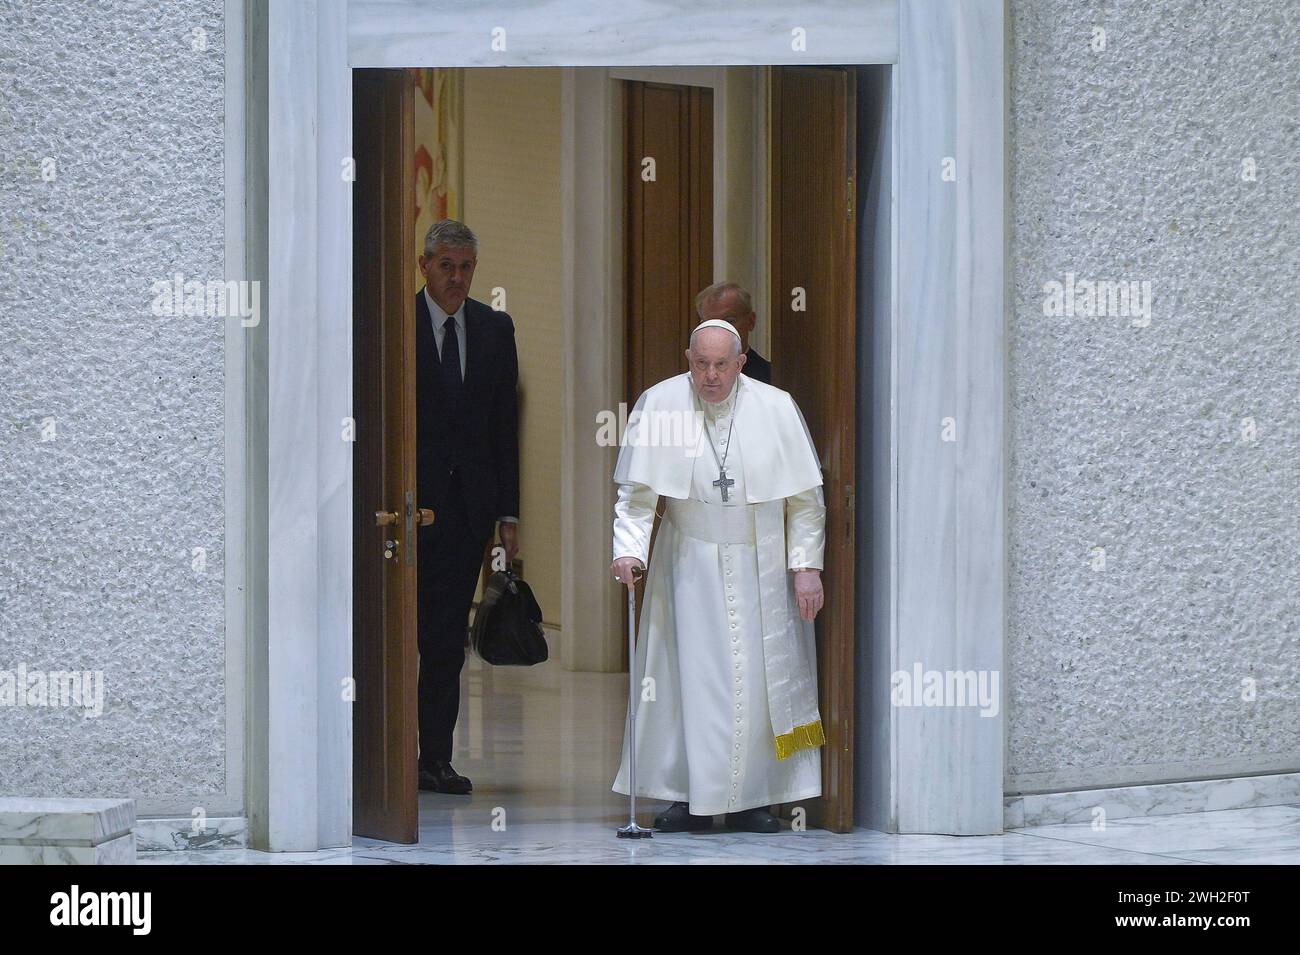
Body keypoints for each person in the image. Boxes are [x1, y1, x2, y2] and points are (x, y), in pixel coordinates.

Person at [609, 319, 826, 832]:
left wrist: (806, 569)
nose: (710, 376)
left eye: (721, 365)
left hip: (762, 563)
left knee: (756, 684)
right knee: (689, 683)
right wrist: (628, 551)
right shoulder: (660, 405)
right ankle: (687, 798)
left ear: (741, 362)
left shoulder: (775, 408)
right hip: (688, 563)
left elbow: (807, 502)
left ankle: (753, 799)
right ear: (688, 358)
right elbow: (637, 496)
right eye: (700, 364)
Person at [415, 219, 520, 794]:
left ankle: (435, 757)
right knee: (397, 636)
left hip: (466, 514)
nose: (456, 278)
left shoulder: (493, 328)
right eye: (446, 266)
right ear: (424, 265)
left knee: (446, 637)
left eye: (465, 268)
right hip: (403, 513)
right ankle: (383, 755)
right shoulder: (396, 321)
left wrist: (509, 515)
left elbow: (506, 426)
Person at [694, 281, 771, 383]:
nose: (720, 330)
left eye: (729, 321)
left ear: (751, 321)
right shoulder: (689, 380)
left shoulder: (772, 378)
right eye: (712, 323)